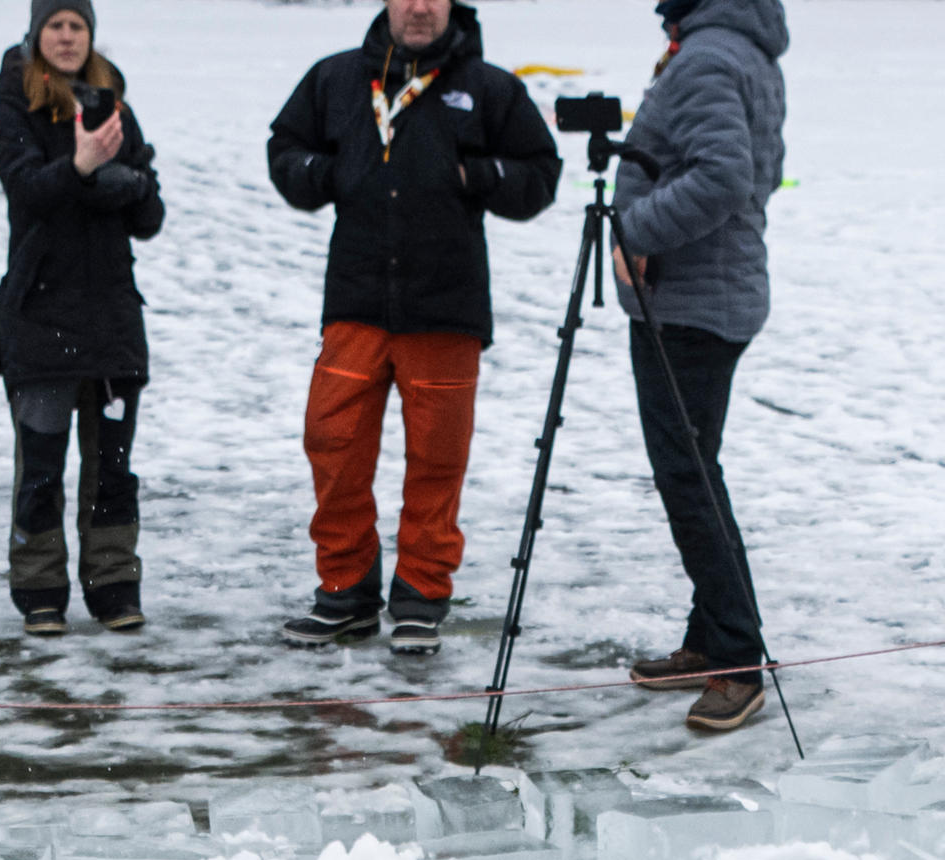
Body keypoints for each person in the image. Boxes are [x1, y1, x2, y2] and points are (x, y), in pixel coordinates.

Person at [264, 0, 559, 656]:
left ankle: (422, 597)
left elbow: (541, 175)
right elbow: (285, 148)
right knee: (333, 444)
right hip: (357, 302)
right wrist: (325, 174)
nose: (420, 7)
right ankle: (344, 592)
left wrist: (473, 175)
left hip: (445, 308)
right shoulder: (337, 79)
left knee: (436, 460)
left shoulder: (488, 88)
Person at [611, 0, 787, 737]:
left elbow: (723, 177)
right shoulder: (736, 46)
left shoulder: (711, 55)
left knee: (688, 476)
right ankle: (712, 637)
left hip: (691, 304)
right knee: (695, 467)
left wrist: (635, 227)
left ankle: (739, 661)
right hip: (707, 294)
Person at [0, 5, 161, 634]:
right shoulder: (15, 97)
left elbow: (149, 210)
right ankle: (39, 588)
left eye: (76, 27)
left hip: (112, 319)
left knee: (112, 465)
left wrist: (120, 181)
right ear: (38, 35)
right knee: (41, 463)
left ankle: (114, 583)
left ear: (90, 37)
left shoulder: (112, 100)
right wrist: (85, 169)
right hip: (40, 314)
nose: (66, 37)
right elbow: (26, 187)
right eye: (55, 26)